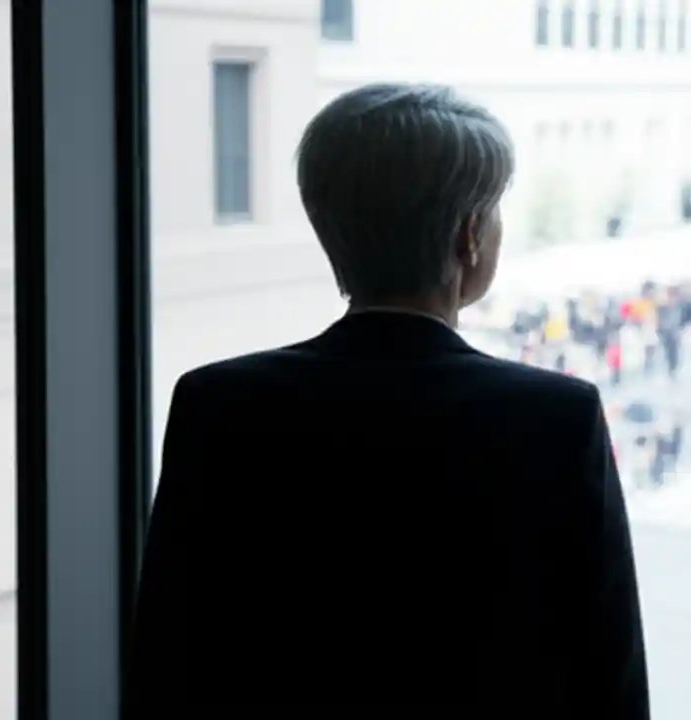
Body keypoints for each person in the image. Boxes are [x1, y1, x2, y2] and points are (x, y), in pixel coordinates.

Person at [128, 84, 650, 717]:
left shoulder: (218, 406)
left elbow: (166, 664)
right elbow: (609, 681)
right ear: (469, 238)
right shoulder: (555, 419)